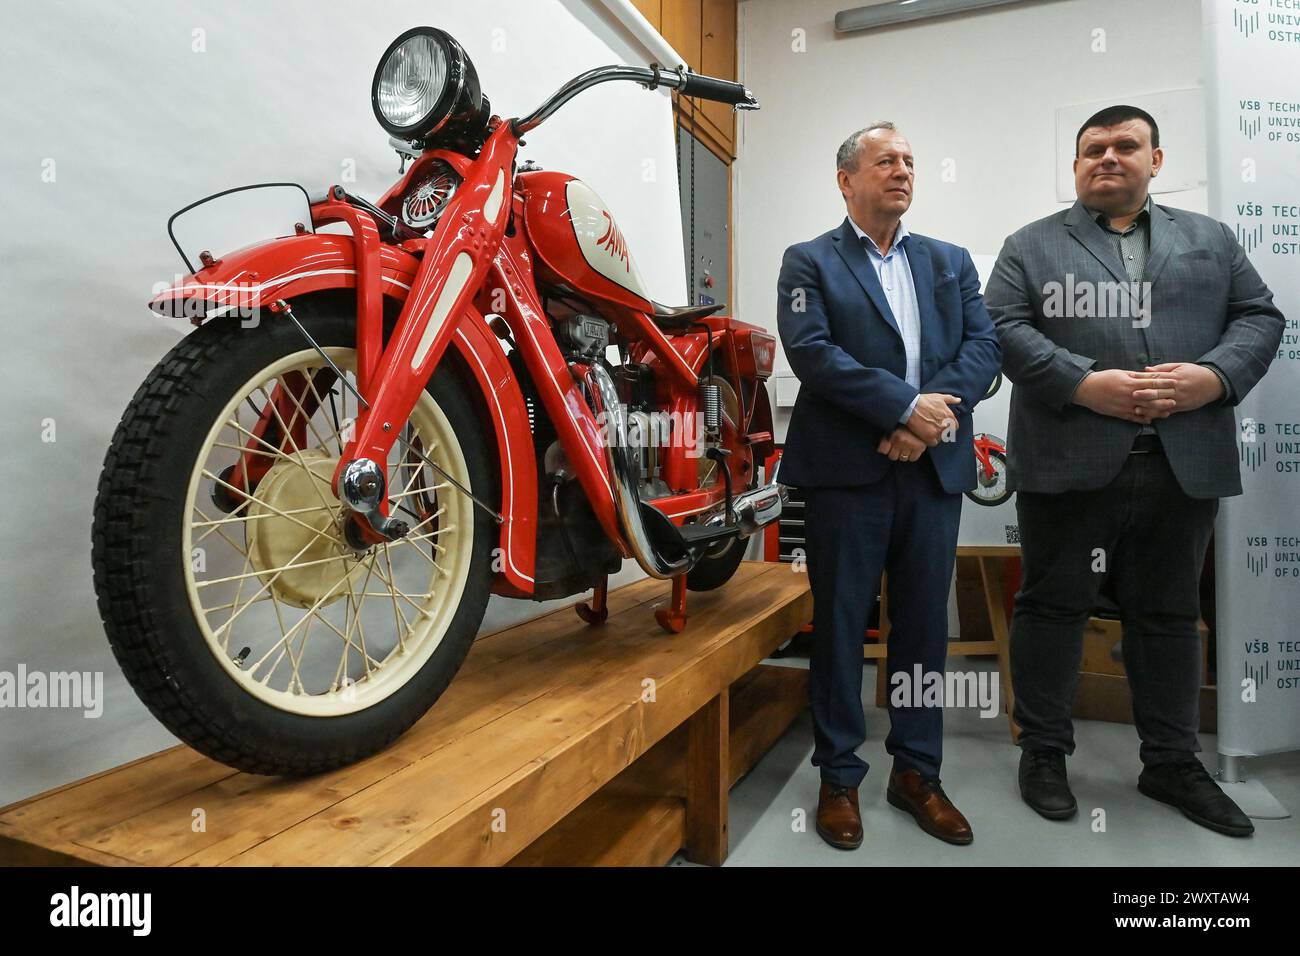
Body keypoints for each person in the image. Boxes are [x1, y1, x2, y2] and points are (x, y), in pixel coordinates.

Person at [984, 105, 1285, 837]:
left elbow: (1261, 317)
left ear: (1157, 159)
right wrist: (1084, 382)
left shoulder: (1210, 240)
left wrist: (1211, 378)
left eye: (1126, 146)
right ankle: (1046, 752)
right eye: (1092, 150)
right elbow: (1000, 328)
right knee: (1053, 609)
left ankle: (1172, 762)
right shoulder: (1029, 245)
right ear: (1076, 165)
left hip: (1180, 464)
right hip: (1069, 462)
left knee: (1170, 615)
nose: (1107, 158)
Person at [777, 123, 1001, 850]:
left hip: (931, 471)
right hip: (848, 473)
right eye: (885, 161)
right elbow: (813, 355)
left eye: (908, 161)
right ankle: (839, 776)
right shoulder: (809, 261)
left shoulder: (949, 261)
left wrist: (924, 421)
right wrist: (902, 406)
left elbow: (983, 348)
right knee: (841, 625)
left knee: (923, 629)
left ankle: (916, 772)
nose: (902, 171)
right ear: (847, 180)